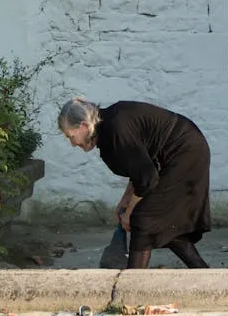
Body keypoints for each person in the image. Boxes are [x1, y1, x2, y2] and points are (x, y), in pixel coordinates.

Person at [58, 97, 212, 269]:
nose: (72, 144)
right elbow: (139, 168)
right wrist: (125, 200)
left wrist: (130, 211)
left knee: (142, 219)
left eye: (71, 136)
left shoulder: (115, 128)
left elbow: (147, 177)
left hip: (185, 152)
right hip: (183, 150)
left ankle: (131, 286)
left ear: (84, 126)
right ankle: (204, 274)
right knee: (161, 223)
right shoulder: (109, 125)